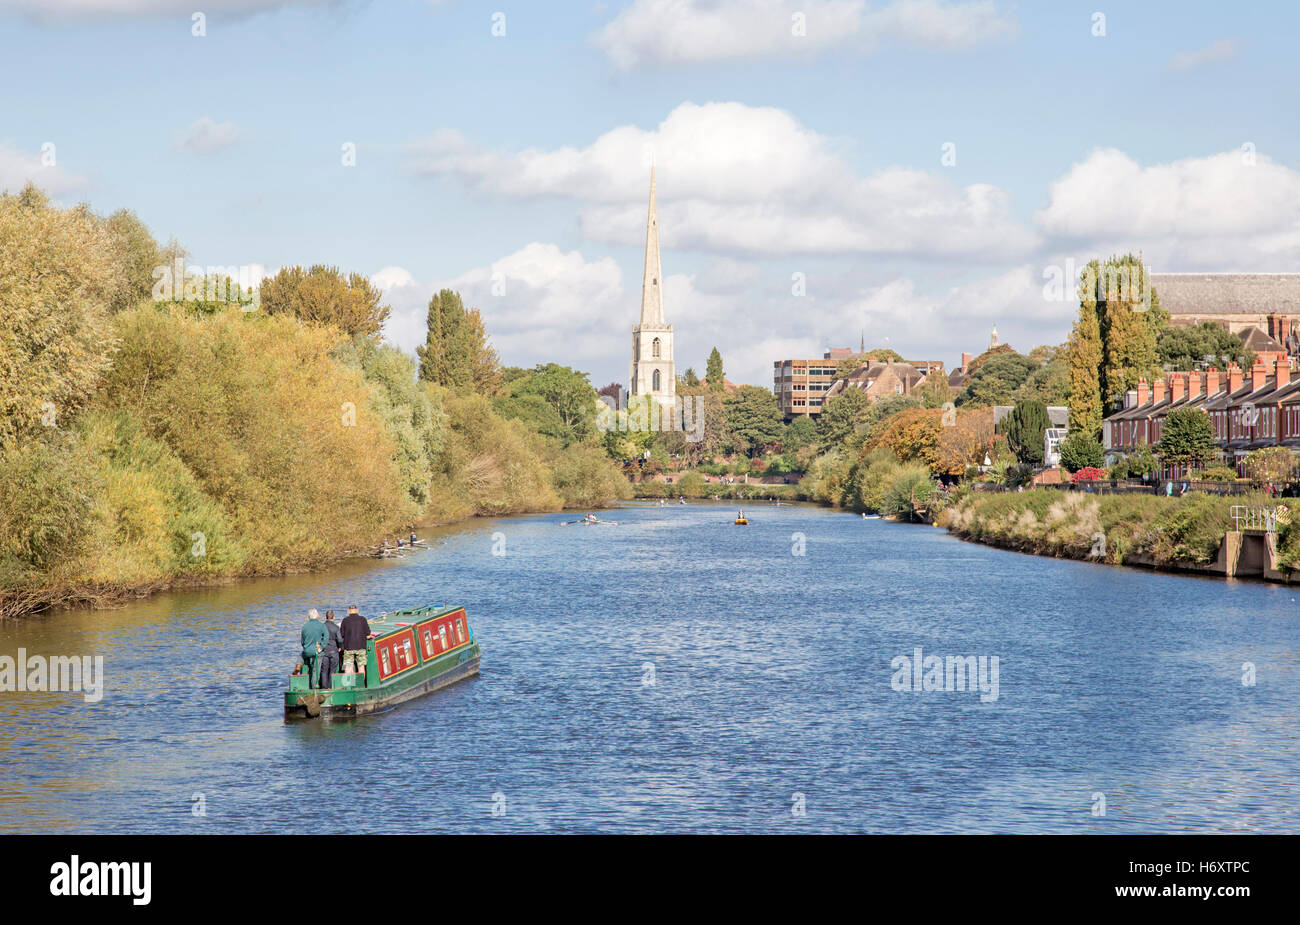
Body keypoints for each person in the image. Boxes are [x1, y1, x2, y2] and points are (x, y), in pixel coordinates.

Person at [300, 609, 328, 689]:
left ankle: (303, 682)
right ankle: (314, 687)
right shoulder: (321, 625)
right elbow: (326, 637)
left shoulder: (305, 626)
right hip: (317, 652)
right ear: (317, 616)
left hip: (307, 651)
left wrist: (306, 648)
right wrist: (321, 647)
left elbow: (302, 641)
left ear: (309, 616)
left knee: (302, 657)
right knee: (316, 670)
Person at [340, 605, 370, 676]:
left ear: (349, 611)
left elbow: (341, 635)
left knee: (348, 668)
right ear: (357, 610)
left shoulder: (345, 620)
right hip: (361, 647)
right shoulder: (363, 619)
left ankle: (350, 684)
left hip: (349, 647)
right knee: (361, 667)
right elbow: (368, 634)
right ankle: (361, 684)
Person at [320, 610, 342, 689]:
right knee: (332, 670)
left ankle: (324, 687)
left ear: (325, 617)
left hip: (324, 650)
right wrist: (340, 647)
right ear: (334, 617)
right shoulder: (336, 627)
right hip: (334, 650)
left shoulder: (321, 627)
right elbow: (339, 639)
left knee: (324, 670)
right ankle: (330, 687)